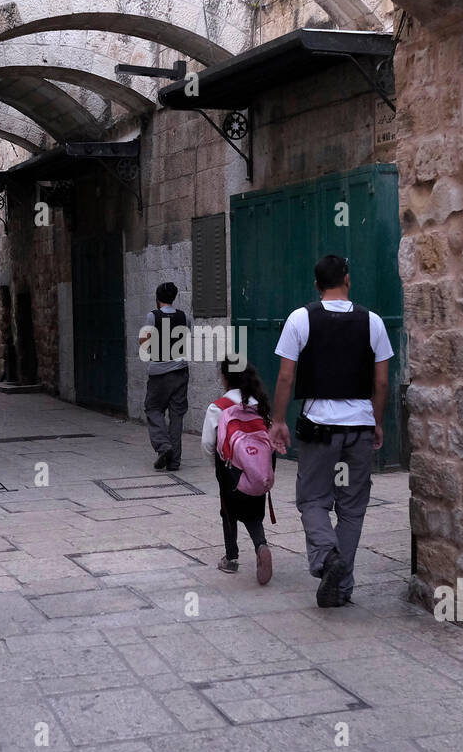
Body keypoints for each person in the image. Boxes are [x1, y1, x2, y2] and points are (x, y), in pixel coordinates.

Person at [269, 255, 392, 608]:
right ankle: (341, 586)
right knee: (352, 508)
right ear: (347, 280)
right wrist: (377, 421)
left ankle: (327, 558)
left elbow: (286, 377)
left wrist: (278, 421)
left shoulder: (300, 319)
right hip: (360, 427)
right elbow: (381, 381)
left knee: (313, 500)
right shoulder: (373, 322)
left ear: (316, 285)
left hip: (319, 427)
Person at [202, 360, 275, 585]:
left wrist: (217, 464)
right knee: (253, 511)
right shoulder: (258, 403)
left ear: (225, 378)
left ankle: (231, 558)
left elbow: (207, 443)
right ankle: (261, 544)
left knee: (228, 511)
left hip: (229, 470)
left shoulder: (218, 407)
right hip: (258, 470)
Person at [139, 282, 192, 471]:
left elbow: (144, 342)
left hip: (159, 372)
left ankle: (163, 446)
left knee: (153, 408)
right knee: (177, 415)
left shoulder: (152, 316)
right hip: (180, 371)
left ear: (157, 297)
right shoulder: (184, 317)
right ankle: (174, 461)